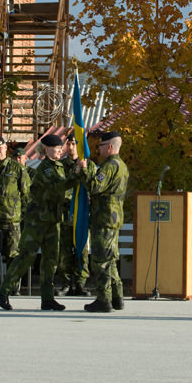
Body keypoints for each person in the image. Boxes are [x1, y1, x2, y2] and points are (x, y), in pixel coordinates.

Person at [0, 134, 81, 311]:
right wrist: (77, 176)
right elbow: (58, 186)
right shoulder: (46, 168)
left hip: (52, 219)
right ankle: (4, 290)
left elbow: (65, 193)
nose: (59, 151)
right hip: (38, 220)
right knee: (26, 255)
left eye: (59, 148)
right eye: (56, 148)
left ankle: (47, 298)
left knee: (50, 259)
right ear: (46, 149)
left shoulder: (58, 166)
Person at [77, 131, 129, 313]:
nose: (97, 149)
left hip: (104, 218)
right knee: (110, 260)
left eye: (100, 146)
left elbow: (95, 186)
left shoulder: (109, 166)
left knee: (101, 261)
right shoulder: (121, 166)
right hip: (112, 218)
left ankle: (103, 299)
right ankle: (117, 297)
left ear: (109, 147)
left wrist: (83, 170)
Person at [0, 136, 30, 292]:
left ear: (6, 149)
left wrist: (24, 217)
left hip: (11, 220)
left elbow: (26, 194)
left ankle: (12, 287)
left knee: (12, 256)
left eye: (1, 148)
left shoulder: (16, 168)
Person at [57, 134, 90, 296]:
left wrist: (82, 168)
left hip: (81, 213)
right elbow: (60, 185)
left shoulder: (88, 165)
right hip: (64, 213)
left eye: (74, 144)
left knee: (82, 248)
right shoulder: (61, 165)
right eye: (68, 144)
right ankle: (66, 283)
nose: (70, 147)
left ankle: (81, 283)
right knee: (64, 250)